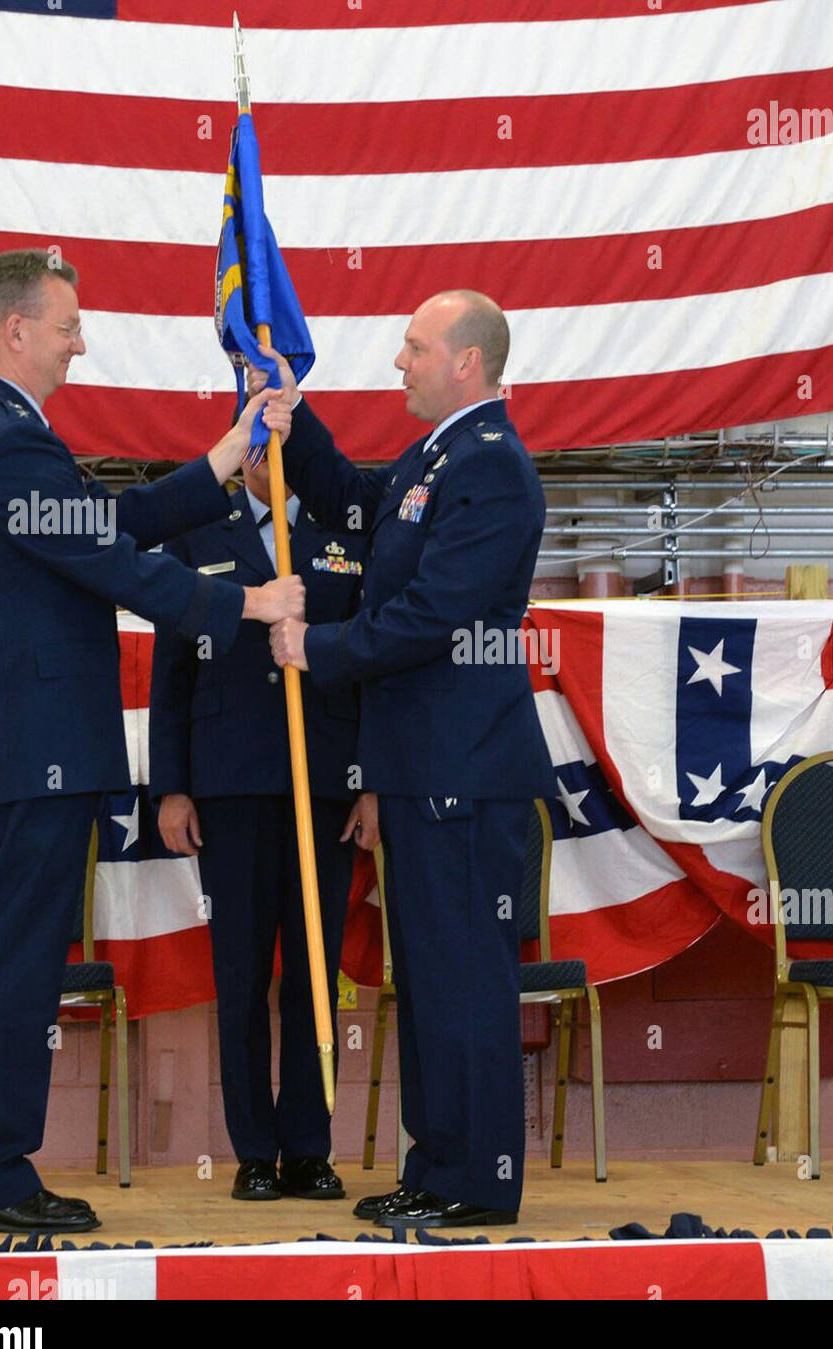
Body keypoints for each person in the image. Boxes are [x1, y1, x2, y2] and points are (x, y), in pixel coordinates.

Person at [0, 249, 303, 1235]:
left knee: (13, 963)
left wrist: (230, 451)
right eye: (66, 325)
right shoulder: (4, 440)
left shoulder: (3, 430)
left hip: (30, 749)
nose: (80, 340)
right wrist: (246, 600)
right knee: (14, 968)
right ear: (16, 331)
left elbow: (111, 519)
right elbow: (114, 563)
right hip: (32, 749)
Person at [260, 290, 553, 1227]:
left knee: (465, 979)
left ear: (466, 361)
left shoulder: (493, 468)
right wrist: (291, 421)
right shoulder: (436, 457)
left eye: (414, 347)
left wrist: (321, 650)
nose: (399, 362)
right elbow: (354, 504)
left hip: (464, 768)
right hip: (424, 766)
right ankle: (436, 1167)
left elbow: (439, 615)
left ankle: (479, 1184)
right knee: (426, 977)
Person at [149, 462, 373, 1201]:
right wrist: (173, 786)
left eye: (278, 433)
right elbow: (172, 668)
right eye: (253, 434)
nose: (264, 452)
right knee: (239, 974)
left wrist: (371, 778)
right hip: (230, 782)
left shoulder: (345, 528)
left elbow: (373, 657)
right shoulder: (197, 532)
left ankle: (309, 1149)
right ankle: (252, 1151)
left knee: (315, 973)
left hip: (326, 783)